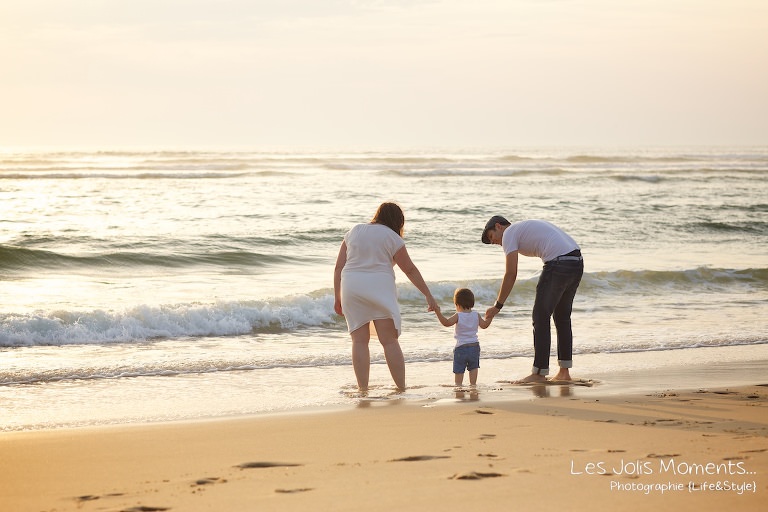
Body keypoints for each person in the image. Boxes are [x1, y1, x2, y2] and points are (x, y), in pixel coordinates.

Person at [334, 202, 437, 392]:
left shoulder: (354, 231)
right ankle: (401, 387)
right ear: (397, 221)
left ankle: (362, 389)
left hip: (351, 287)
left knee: (359, 341)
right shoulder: (392, 237)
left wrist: (337, 296)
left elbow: (339, 267)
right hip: (379, 286)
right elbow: (410, 269)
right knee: (389, 341)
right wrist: (428, 295)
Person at [481, 216, 584, 383]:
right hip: (576, 261)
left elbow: (511, 274)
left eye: (493, 238)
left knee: (540, 317)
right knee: (562, 318)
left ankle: (538, 374)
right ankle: (564, 372)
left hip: (558, 263)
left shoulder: (509, 233)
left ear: (499, 226)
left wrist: (497, 306)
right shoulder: (522, 228)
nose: (496, 243)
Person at [433, 288, 492, 386]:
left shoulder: (458, 315)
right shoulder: (476, 315)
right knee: (473, 367)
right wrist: (490, 316)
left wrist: (438, 312)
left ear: (457, 304)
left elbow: (446, 323)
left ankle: (458, 386)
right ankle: (473, 385)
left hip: (461, 348)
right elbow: (484, 325)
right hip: (474, 346)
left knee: (459, 369)